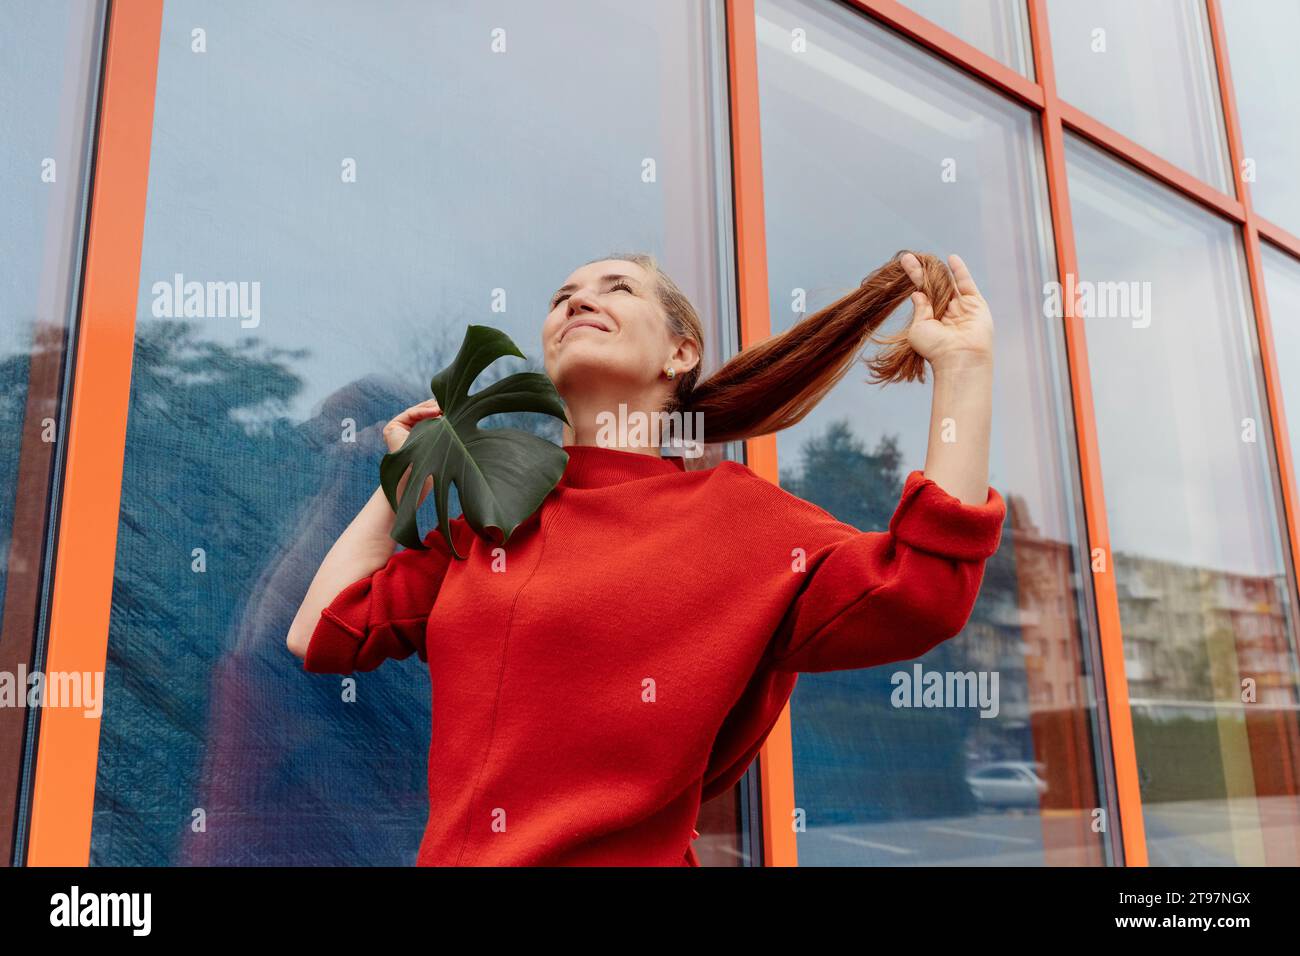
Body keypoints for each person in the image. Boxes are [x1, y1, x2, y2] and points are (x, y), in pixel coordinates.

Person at [286, 250, 1007, 866]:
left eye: (615, 288)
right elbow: (319, 632)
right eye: (562, 297)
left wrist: (965, 371)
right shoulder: (488, 523)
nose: (579, 301)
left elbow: (921, 590)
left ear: (680, 354)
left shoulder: (739, 519)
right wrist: (405, 481)